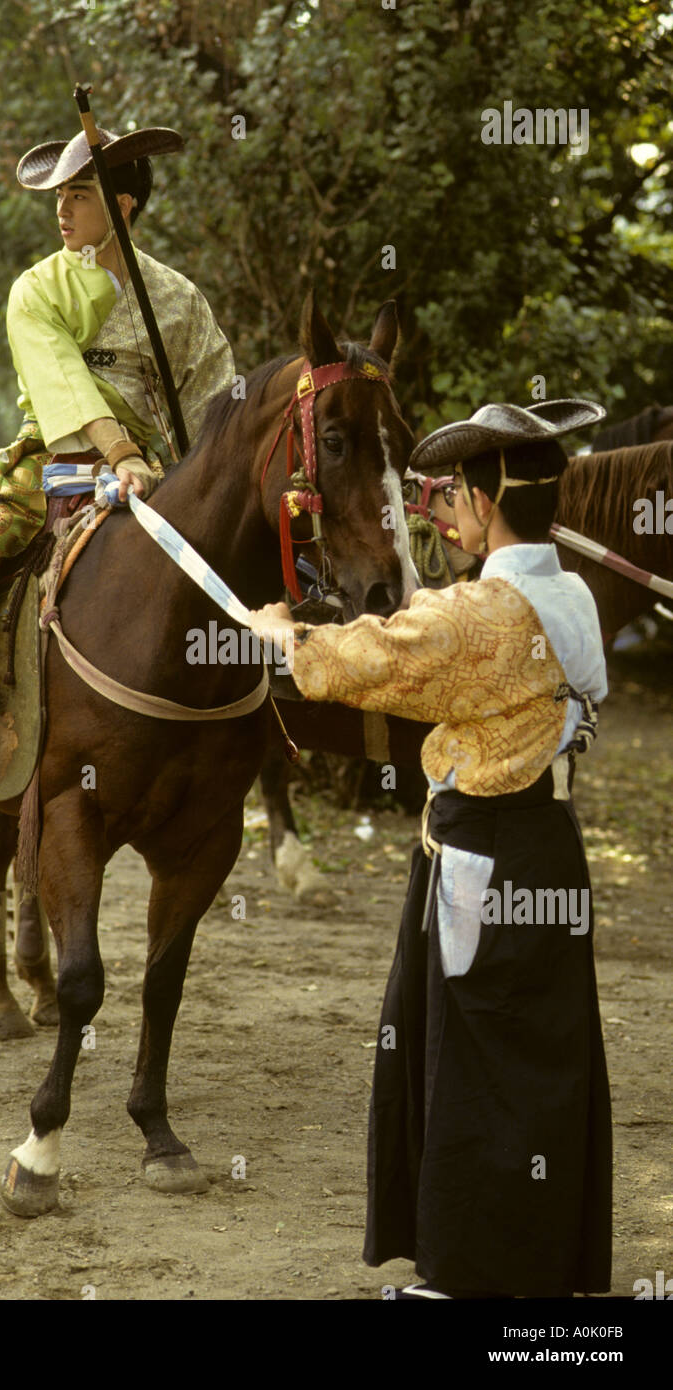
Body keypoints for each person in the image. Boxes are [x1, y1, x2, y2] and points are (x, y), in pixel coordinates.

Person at [248, 399, 613, 1299]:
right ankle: (546, 1268)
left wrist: (285, 637)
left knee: (473, 1053)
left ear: (489, 503)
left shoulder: (480, 612)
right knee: (544, 1054)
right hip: (549, 853)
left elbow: (377, 658)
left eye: (453, 496)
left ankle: (463, 1279)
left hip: (481, 856)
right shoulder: (572, 594)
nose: (441, 514)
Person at [0, 122, 234, 749]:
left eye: (79, 194)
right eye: (59, 196)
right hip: (52, 457)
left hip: (149, 470)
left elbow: (214, 404)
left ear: (122, 207)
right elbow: (63, 386)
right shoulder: (34, 290)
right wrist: (120, 452)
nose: (61, 209)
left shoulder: (179, 300)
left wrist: (205, 473)